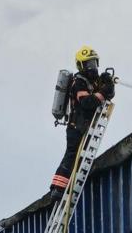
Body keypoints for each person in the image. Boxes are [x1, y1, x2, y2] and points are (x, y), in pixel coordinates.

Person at [48, 45, 115, 201]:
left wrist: (108, 85)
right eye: (88, 64)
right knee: (71, 155)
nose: (92, 68)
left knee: (78, 157)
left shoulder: (93, 82)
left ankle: (66, 185)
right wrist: (103, 92)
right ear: (81, 66)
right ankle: (57, 188)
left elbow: (107, 95)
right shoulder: (79, 82)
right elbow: (87, 102)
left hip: (84, 126)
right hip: (76, 127)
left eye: (94, 63)